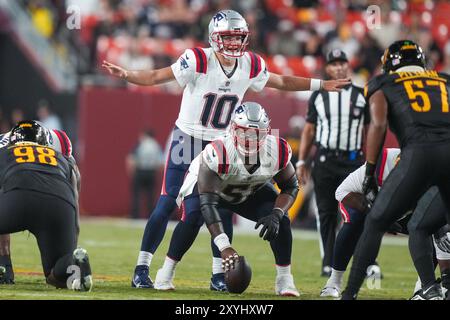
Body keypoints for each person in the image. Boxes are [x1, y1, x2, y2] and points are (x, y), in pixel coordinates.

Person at [103, 9, 350, 290]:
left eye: (238, 37)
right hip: (189, 138)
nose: (233, 43)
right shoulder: (197, 59)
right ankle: (142, 267)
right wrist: (127, 74)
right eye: (228, 37)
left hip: (223, 142)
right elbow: (159, 76)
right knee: (169, 202)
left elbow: (280, 81)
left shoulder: (251, 64)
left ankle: (219, 274)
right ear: (214, 38)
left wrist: (320, 85)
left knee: (222, 206)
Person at [153, 102, 300, 296]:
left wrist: (277, 213)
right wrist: (225, 247)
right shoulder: (219, 151)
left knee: (281, 220)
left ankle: (284, 279)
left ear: (268, 131)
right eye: (244, 132)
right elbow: (208, 204)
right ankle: (166, 271)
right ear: (233, 129)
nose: (249, 139)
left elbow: (291, 186)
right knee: (193, 216)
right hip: (206, 188)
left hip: (245, 189)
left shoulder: (277, 149)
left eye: (256, 133)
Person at [341, 40, 450, 300]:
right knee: (424, 225)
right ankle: (435, 289)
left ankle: (350, 294)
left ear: (389, 64)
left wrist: (369, 171)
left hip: (421, 152)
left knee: (377, 221)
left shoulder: (383, 83)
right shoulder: (445, 80)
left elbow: (377, 125)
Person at [320, 147, 450, 299]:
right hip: (370, 206)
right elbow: (341, 192)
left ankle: (425, 288)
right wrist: (375, 214)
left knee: (434, 228)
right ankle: (334, 282)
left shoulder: (432, 175)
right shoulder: (380, 166)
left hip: (406, 212)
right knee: (353, 222)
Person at [296, 49, 370, 277]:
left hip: (353, 161)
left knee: (360, 211)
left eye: (342, 63)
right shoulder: (318, 96)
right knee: (326, 214)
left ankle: (366, 262)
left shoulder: (362, 94)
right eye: (333, 64)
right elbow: (309, 130)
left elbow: (369, 130)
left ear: (348, 66)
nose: (338, 67)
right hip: (325, 159)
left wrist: (369, 161)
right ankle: (328, 262)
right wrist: (301, 161)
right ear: (327, 68)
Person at [0, 120, 92, 291]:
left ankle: (3, 266)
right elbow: (74, 192)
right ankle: (74, 262)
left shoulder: (5, 151)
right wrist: (69, 248)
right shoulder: (61, 153)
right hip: (60, 203)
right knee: (55, 276)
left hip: (18, 197)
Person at [126, 130, 163, 219]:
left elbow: (131, 158)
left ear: (145, 135)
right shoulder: (156, 146)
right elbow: (161, 162)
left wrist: (131, 171)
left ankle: (135, 216)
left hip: (140, 171)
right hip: (151, 172)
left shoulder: (141, 144)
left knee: (136, 196)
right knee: (151, 196)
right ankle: (150, 215)